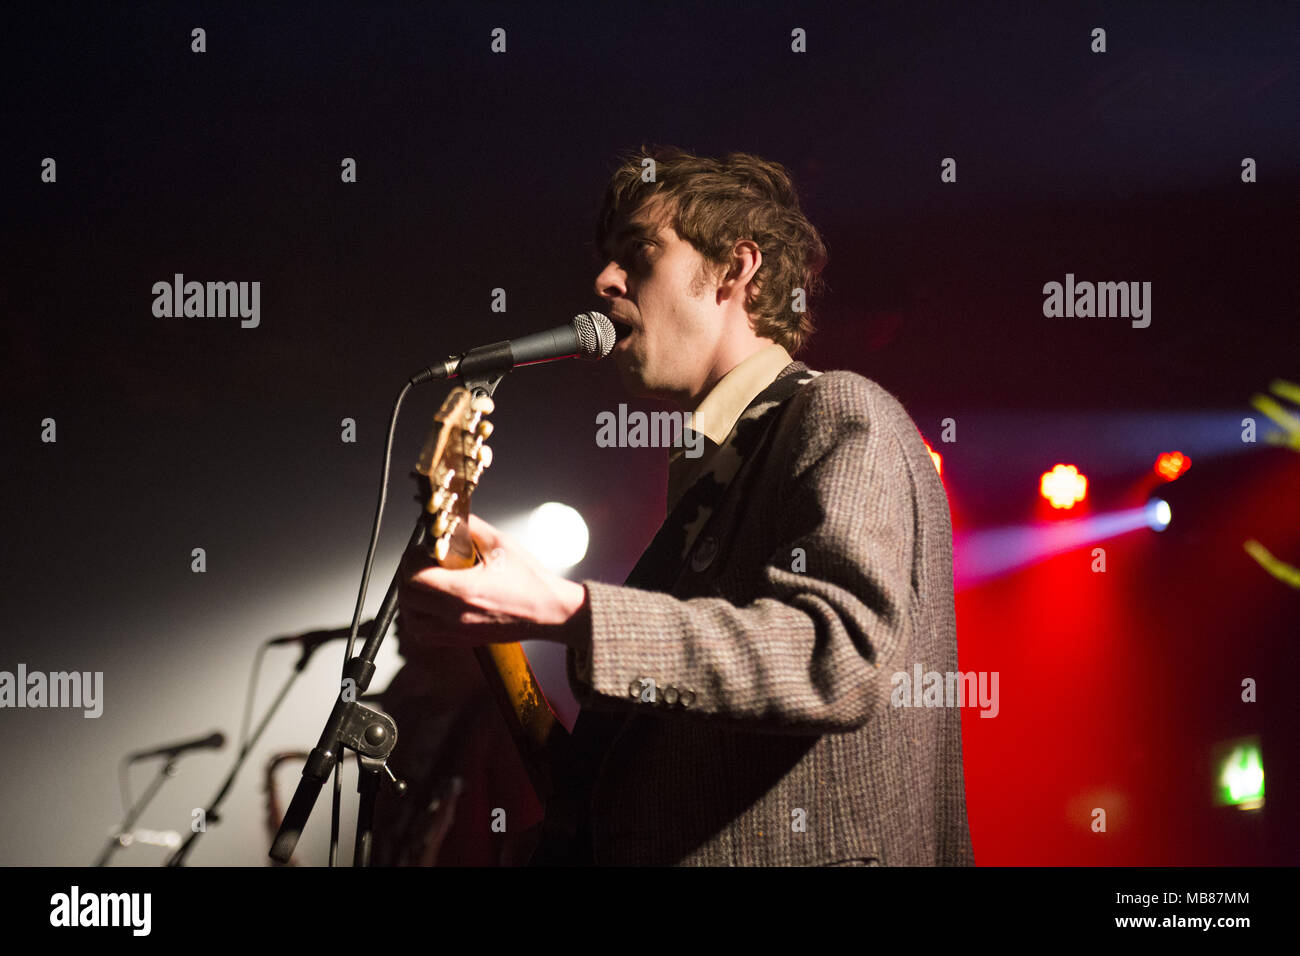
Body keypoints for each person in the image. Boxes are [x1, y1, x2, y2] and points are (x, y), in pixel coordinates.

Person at [397, 146, 974, 866]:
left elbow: (841, 658)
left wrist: (571, 612)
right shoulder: (714, 474)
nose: (605, 280)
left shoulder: (841, 410)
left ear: (736, 269)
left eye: (638, 253)